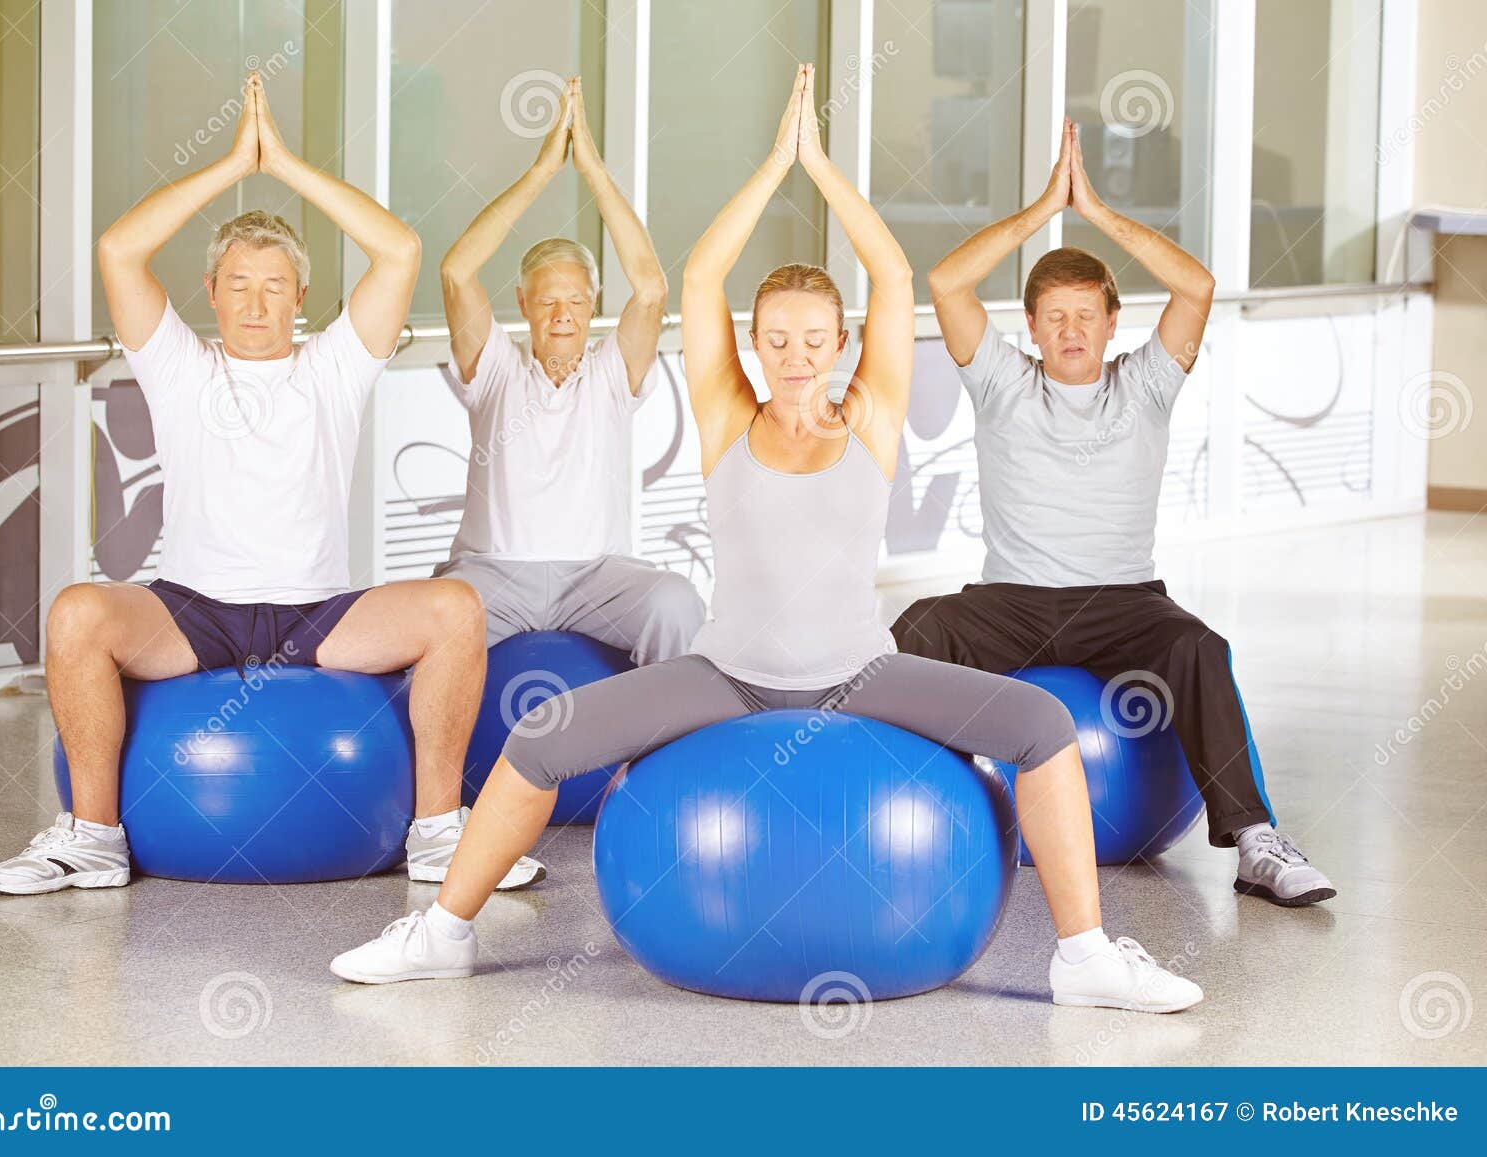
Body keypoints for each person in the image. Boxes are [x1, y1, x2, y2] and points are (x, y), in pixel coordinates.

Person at [331, 67, 1202, 1014]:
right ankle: (444, 932)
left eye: (813, 339)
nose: (794, 358)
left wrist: (820, 168)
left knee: (1041, 729)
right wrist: (770, 166)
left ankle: (1084, 955)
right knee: (541, 740)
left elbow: (897, 276)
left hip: (863, 672)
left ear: (839, 343)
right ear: (753, 344)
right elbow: (700, 275)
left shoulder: (870, 418)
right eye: (776, 340)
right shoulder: (726, 417)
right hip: (728, 675)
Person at [0, 74, 541, 896]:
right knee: (76, 614)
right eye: (238, 284)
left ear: (301, 298)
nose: (255, 301)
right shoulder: (180, 368)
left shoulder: (333, 369)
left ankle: (438, 832)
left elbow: (400, 252)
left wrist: (282, 163)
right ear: (209, 293)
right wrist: (227, 167)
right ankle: (94, 837)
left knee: (456, 610)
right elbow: (118, 250)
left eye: (274, 284)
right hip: (193, 607)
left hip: (318, 611)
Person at [892, 118, 1335, 907]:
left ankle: (1255, 838)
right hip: (1012, 603)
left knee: (1200, 646)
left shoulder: (1147, 386)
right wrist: (1040, 212)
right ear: (1029, 326)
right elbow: (947, 284)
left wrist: (1093, 212)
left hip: (1124, 602)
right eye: (1053, 316)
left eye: (1086, 314)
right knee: (919, 625)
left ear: (1111, 322)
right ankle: (880, 799)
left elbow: (1195, 287)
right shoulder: (1001, 383)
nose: (1070, 330)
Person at [433, 75, 704, 671]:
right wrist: (540, 173)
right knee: (427, 621)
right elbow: (456, 271)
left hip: (596, 578)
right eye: (548, 301)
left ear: (594, 305)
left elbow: (653, 287)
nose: (563, 315)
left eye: (577, 301)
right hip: (495, 573)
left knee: (678, 604)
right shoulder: (498, 370)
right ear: (523, 305)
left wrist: (594, 172)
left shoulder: (611, 373)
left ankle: (653, 759)